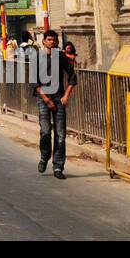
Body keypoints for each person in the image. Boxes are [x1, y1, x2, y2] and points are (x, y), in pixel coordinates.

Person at [34, 29, 76, 180]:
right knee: (45, 131)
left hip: (59, 99)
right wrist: (46, 99)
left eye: (54, 40)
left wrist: (66, 96)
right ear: (44, 41)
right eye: (49, 39)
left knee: (60, 135)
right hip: (43, 99)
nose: (52, 42)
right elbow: (34, 82)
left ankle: (58, 166)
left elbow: (72, 77)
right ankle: (44, 156)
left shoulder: (61, 57)